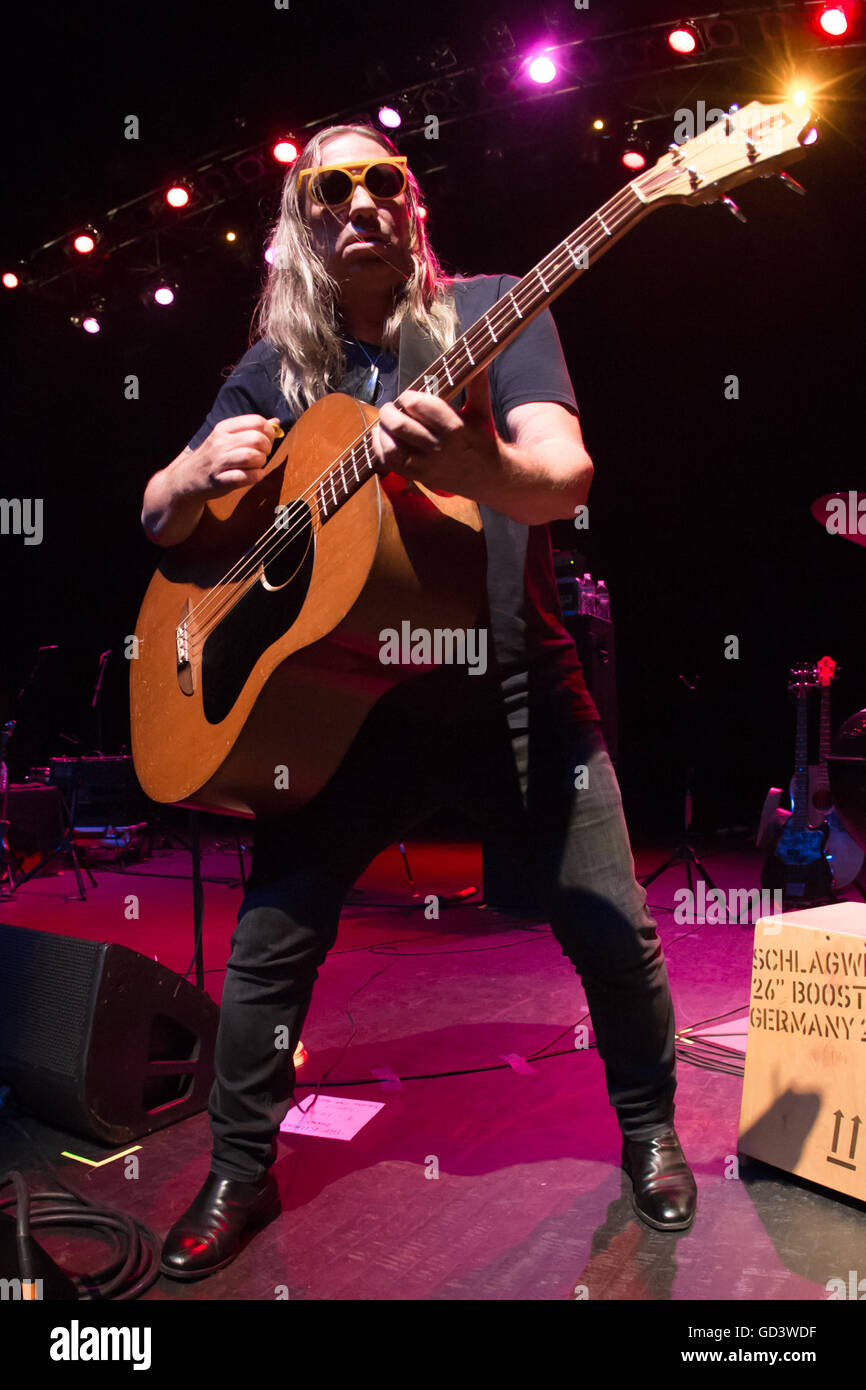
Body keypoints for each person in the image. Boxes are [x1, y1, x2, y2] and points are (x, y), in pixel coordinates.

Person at [142, 123, 697, 1281]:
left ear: (411, 207)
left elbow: (564, 472)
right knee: (271, 942)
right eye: (327, 187)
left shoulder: (498, 305)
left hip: (512, 677)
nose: (357, 201)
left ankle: (649, 1133)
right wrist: (187, 479)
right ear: (300, 223)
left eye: (379, 180)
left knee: (609, 922)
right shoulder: (278, 369)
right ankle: (239, 1169)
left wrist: (478, 469)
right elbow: (161, 518)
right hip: (350, 706)